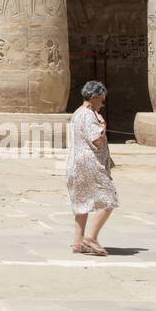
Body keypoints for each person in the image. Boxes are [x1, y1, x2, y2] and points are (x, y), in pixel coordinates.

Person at [67, 79, 118, 256]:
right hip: (90, 165)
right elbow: (97, 141)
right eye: (102, 100)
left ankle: (78, 243)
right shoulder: (89, 115)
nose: (102, 104)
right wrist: (103, 126)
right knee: (109, 200)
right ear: (94, 97)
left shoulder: (76, 113)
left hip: (75, 165)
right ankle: (91, 237)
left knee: (82, 203)